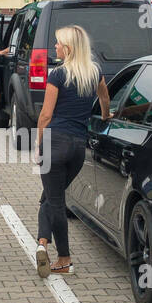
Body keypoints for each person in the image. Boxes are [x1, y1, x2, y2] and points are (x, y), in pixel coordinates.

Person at [34, 24, 110, 277]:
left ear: (67, 48)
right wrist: (106, 116)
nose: (54, 47)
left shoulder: (57, 75)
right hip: (78, 147)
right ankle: (42, 243)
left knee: (55, 202)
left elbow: (45, 115)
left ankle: (64, 258)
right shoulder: (95, 72)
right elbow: (105, 100)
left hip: (54, 142)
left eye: (58, 43)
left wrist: (38, 144)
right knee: (50, 197)